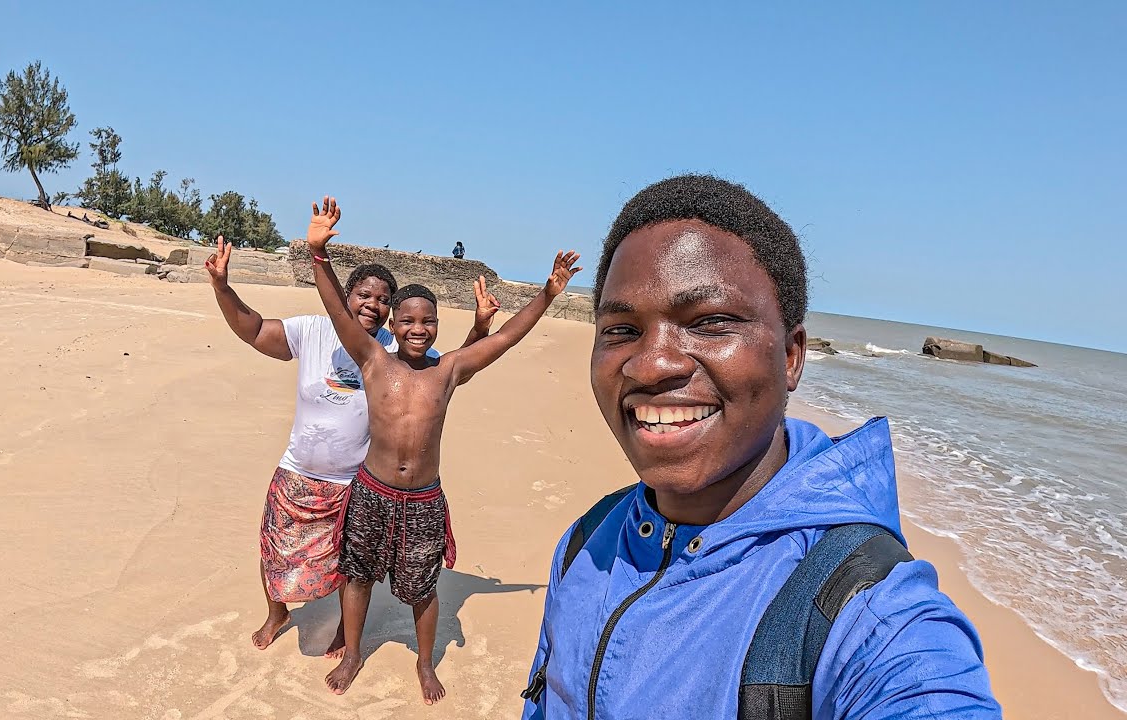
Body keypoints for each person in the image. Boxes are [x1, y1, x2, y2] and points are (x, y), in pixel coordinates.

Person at [521, 175, 1002, 719]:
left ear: (792, 356)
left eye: (709, 323)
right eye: (621, 329)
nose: (652, 364)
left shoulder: (867, 615)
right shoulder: (588, 542)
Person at [304, 196, 580, 705]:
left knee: (423, 587)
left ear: (437, 325)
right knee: (358, 575)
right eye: (407, 319)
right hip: (371, 491)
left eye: (427, 321)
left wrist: (547, 294)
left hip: (424, 500)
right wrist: (318, 254)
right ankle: (351, 653)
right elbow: (334, 309)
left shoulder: (448, 369)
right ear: (392, 325)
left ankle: (425, 662)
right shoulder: (371, 360)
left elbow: (506, 341)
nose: (417, 328)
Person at [204, 234, 500, 656]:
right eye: (364, 294)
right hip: (298, 470)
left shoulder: (397, 350)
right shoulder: (311, 330)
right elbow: (251, 329)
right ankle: (277, 613)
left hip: (355, 482)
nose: (372, 304)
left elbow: (451, 372)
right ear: (347, 296)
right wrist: (222, 286)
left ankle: (348, 631)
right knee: (274, 547)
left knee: (349, 565)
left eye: (383, 299)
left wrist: (479, 328)